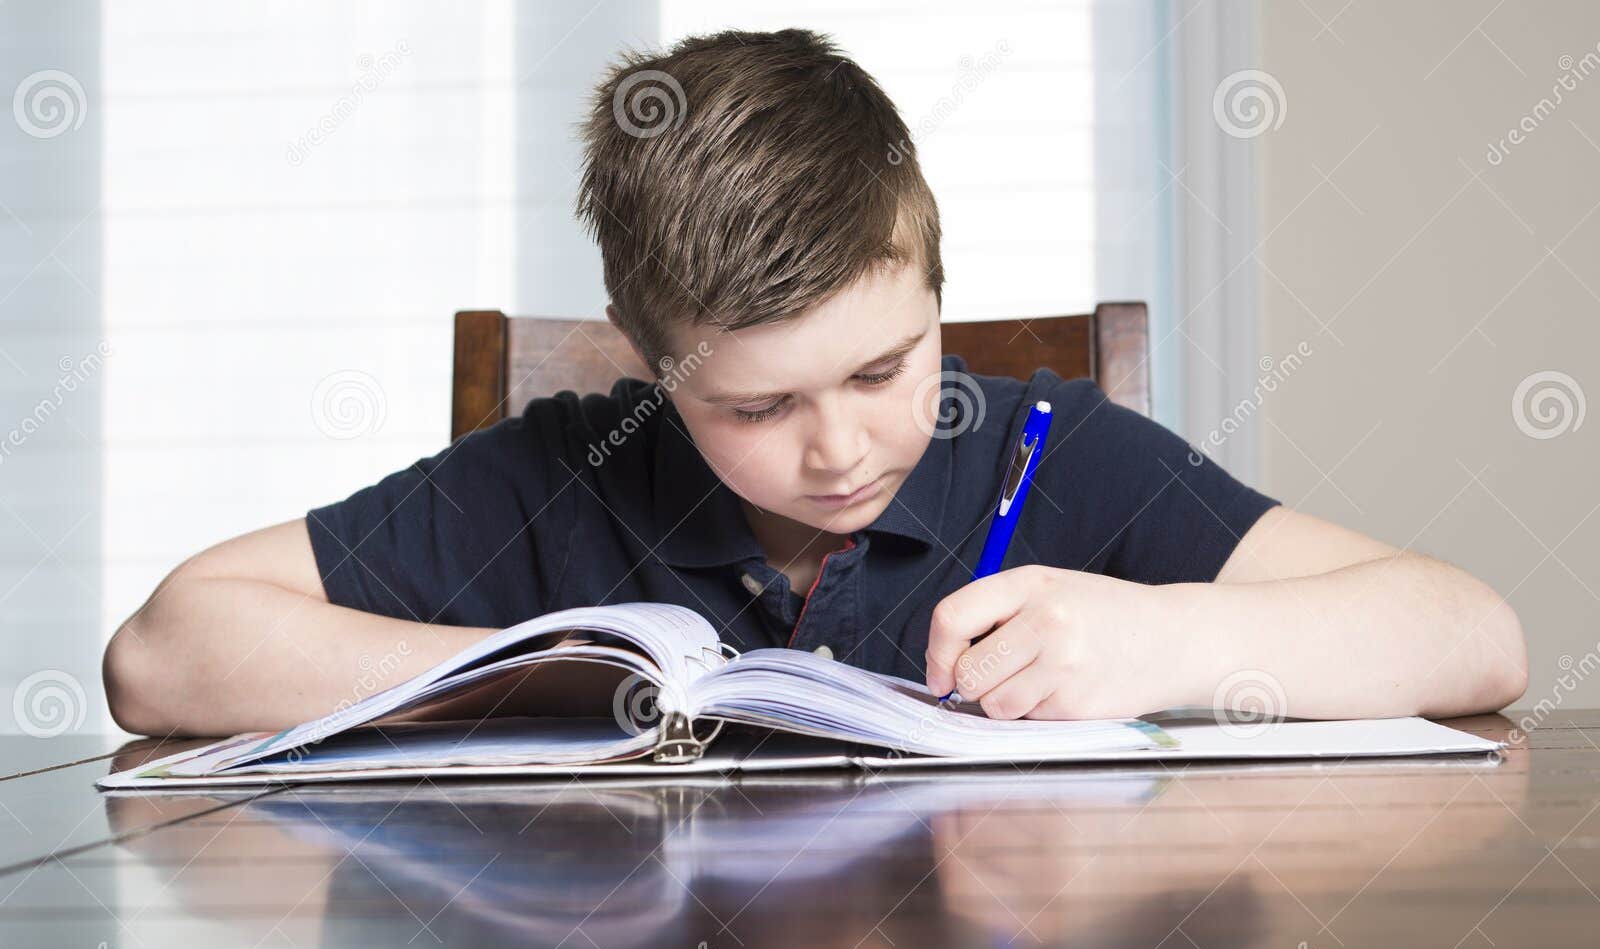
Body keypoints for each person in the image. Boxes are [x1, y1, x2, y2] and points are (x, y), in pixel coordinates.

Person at [103, 28, 1526, 738]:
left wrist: (1154, 643)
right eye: (757, 407)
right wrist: (533, 679)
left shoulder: (1057, 450)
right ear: (652, 363)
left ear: (935, 287)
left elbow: (1471, 634)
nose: (844, 446)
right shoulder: (566, 470)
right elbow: (162, 652)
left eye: (882, 367)